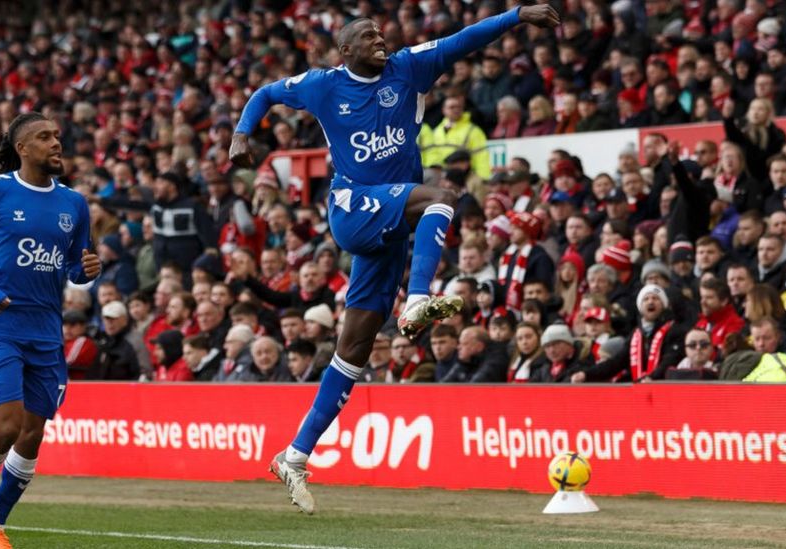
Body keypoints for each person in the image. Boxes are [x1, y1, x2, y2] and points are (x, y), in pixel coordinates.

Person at [230, 4, 560, 513]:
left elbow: (464, 38)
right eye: (366, 35)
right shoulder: (322, 84)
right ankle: (419, 297)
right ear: (345, 50)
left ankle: (294, 455)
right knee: (442, 196)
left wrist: (517, 16)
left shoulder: (410, 67)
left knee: (355, 346)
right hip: (353, 208)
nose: (379, 37)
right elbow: (266, 93)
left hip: (389, 221)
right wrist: (241, 133)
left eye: (379, 31)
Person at [0, 113, 101, 548]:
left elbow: (73, 267)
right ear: (22, 148)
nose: (56, 143)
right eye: (44, 137)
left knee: (33, 433)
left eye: (57, 136)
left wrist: (86, 271)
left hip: (47, 330)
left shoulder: (74, 204)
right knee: (8, 425)